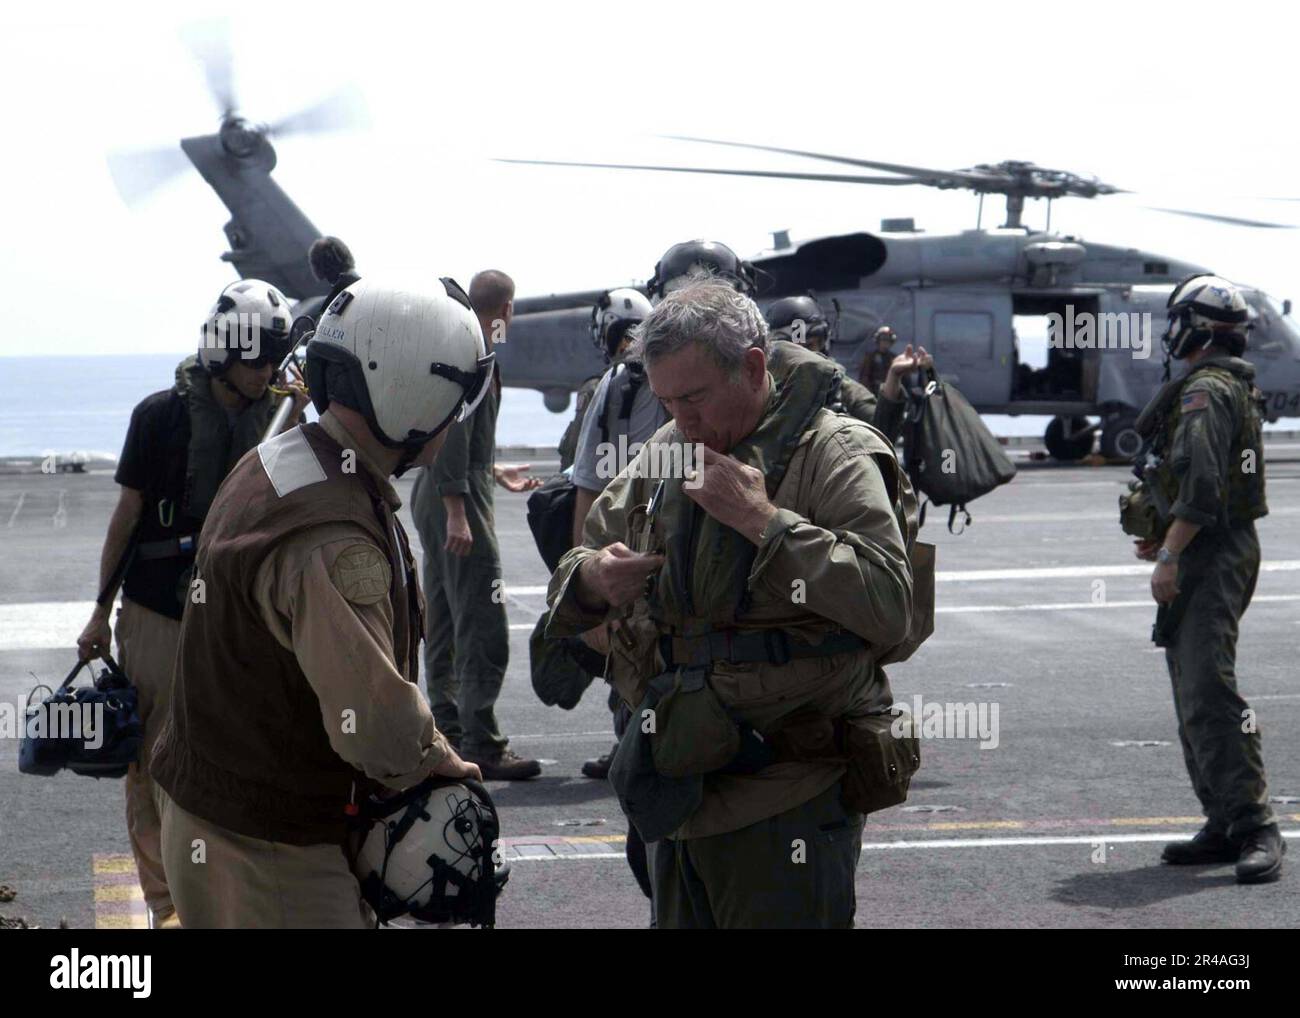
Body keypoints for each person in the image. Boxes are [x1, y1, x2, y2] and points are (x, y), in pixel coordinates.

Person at [547, 281, 914, 928]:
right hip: (678, 790)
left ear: (751, 367)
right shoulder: (669, 450)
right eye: (664, 401)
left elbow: (889, 604)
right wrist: (592, 581)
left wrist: (764, 522)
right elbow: (584, 554)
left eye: (693, 397)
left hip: (784, 795)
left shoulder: (833, 454)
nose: (680, 420)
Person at [150, 277, 488, 927]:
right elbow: (375, 727)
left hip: (210, 815)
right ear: (420, 395)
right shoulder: (333, 534)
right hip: (270, 853)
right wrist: (441, 761)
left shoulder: (280, 460)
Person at [75, 278, 306, 929]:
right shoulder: (159, 417)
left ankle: (228, 895)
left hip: (247, 623)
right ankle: (167, 905)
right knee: (152, 764)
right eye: (255, 358)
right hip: (157, 617)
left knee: (244, 758)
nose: (266, 371)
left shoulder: (289, 423)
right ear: (219, 352)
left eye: (274, 358)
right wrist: (99, 612)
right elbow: (127, 519)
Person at [1130, 274, 1282, 884]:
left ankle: (1255, 824)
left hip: (1212, 554)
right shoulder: (1213, 388)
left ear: (1195, 328)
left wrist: (1171, 556)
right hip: (1207, 547)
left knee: (1210, 690)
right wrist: (1165, 538)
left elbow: (1202, 487)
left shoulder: (1206, 393)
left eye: (1177, 322)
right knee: (1192, 690)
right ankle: (1222, 821)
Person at [409, 270, 543, 781]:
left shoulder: (457, 348)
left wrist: (493, 470)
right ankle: (482, 741)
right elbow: (455, 432)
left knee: (442, 616)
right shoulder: (477, 356)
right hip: (453, 498)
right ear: (506, 310)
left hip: (438, 491)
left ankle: (445, 729)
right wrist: (459, 511)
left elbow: (461, 438)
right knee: (482, 623)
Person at [764, 294, 877, 422]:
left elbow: (881, 424)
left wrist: (892, 391)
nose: (803, 356)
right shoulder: (763, 393)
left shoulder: (842, 388)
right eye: (792, 349)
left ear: (823, 345)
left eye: (809, 345)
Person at [861, 326, 897, 394]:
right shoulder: (870, 357)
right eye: (883, 339)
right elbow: (864, 377)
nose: (885, 342)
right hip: (874, 392)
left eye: (888, 340)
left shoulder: (894, 358)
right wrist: (869, 393)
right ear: (878, 341)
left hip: (890, 392)